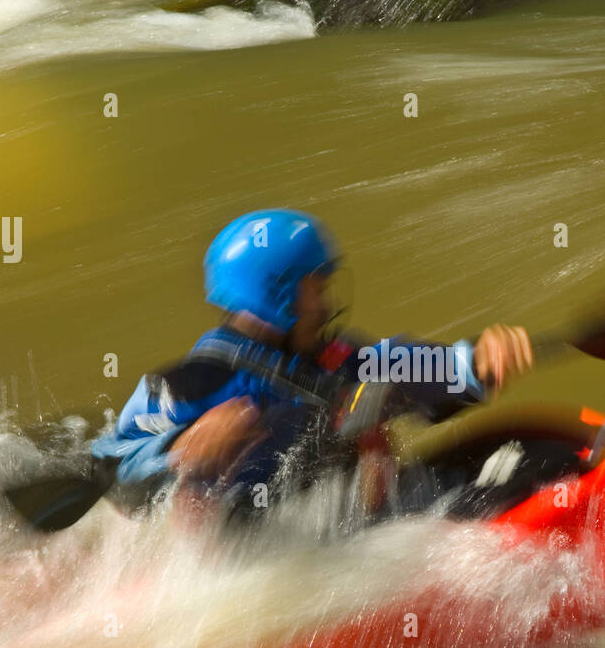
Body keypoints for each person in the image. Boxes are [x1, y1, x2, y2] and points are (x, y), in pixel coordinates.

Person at [90, 209, 535, 518]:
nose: (326, 304)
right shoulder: (190, 386)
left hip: (339, 530)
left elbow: (403, 365)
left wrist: (472, 363)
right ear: (279, 296)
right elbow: (108, 464)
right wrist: (176, 449)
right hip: (243, 555)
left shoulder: (333, 361)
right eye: (317, 288)